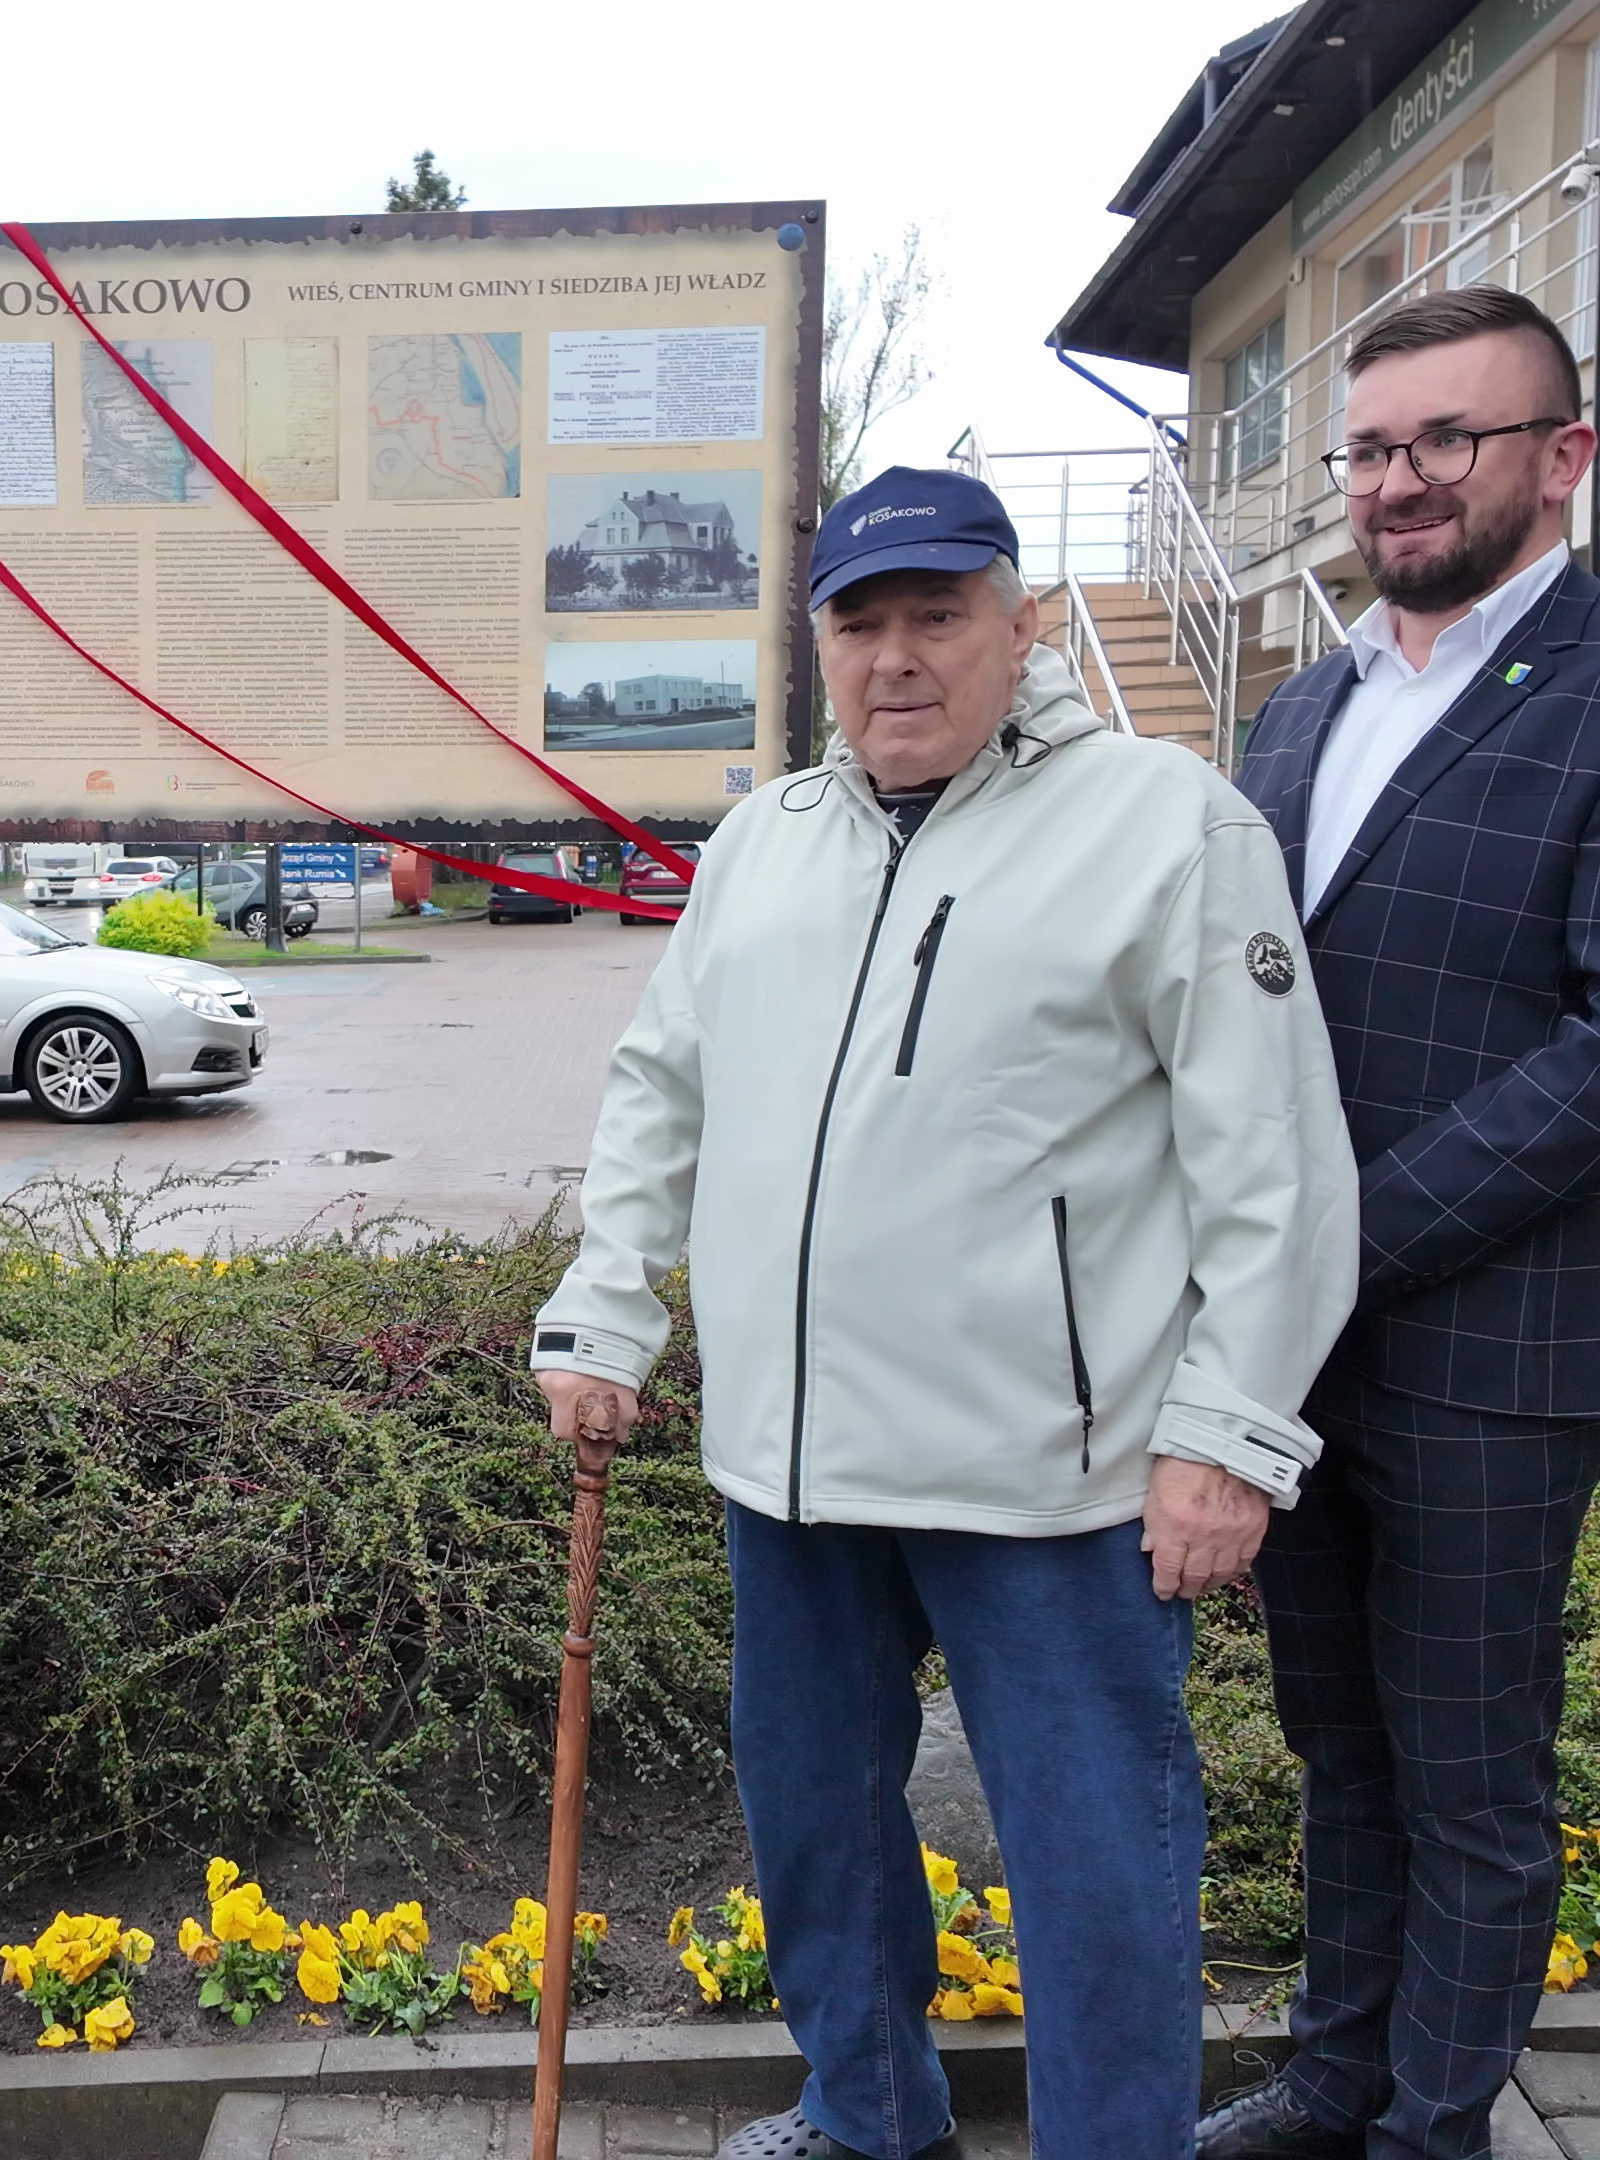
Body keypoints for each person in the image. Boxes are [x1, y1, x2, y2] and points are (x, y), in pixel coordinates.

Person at [530, 467, 1358, 2160]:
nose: (896, 659)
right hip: (794, 1468)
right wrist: (602, 1311)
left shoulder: (1168, 823)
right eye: (861, 622)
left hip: (1047, 1476)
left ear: (1020, 622)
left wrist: (1229, 1436)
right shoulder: (766, 840)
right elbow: (659, 1092)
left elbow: (1273, 1162)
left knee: (1097, 1862)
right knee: (820, 1831)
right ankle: (865, 2113)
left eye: (938, 615)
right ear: (818, 643)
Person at [1192, 287, 1600, 2160]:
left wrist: (1338, 1236)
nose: (1402, 480)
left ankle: (1431, 2128)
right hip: (1293, 1351)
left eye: (1451, 438)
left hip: (1497, 1344)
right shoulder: (1301, 704)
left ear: (1564, 457)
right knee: (1337, 1746)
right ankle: (1337, 2076)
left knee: (1468, 1777)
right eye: (1372, 447)